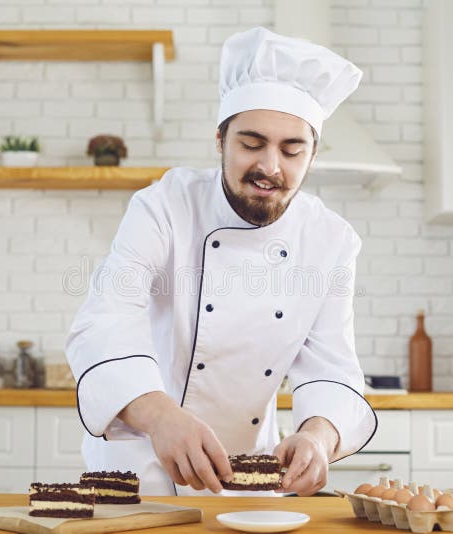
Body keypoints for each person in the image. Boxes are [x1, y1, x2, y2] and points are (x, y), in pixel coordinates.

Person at [66, 26, 377, 497]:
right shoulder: (165, 206)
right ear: (220, 140)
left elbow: (332, 368)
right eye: (251, 144)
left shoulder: (331, 241)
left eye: (292, 149)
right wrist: (160, 415)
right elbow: (105, 322)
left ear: (312, 156)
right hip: (142, 463)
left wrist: (318, 436)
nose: (271, 167)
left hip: (252, 476)